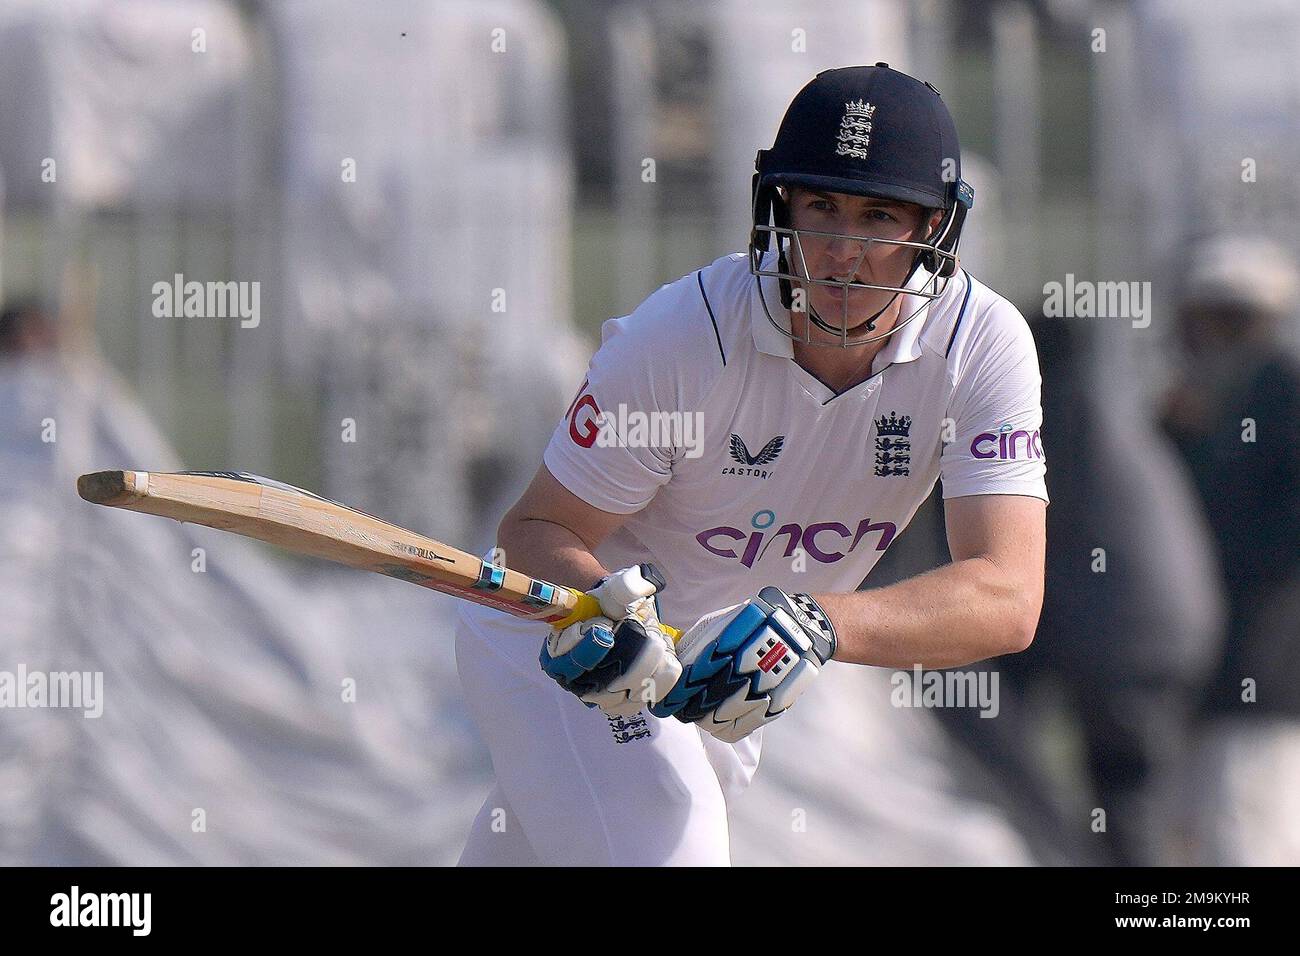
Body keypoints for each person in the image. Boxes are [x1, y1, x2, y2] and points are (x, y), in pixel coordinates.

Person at [454, 64, 1048, 866]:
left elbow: (1006, 596)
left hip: (713, 678)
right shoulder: (683, 338)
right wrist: (602, 613)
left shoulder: (982, 346)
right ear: (781, 207)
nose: (842, 252)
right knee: (672, 839)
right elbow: (535, 526)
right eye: (822, 207)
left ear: (935, 230)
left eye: (879, 216)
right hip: (564, 642)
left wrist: (816, 624)